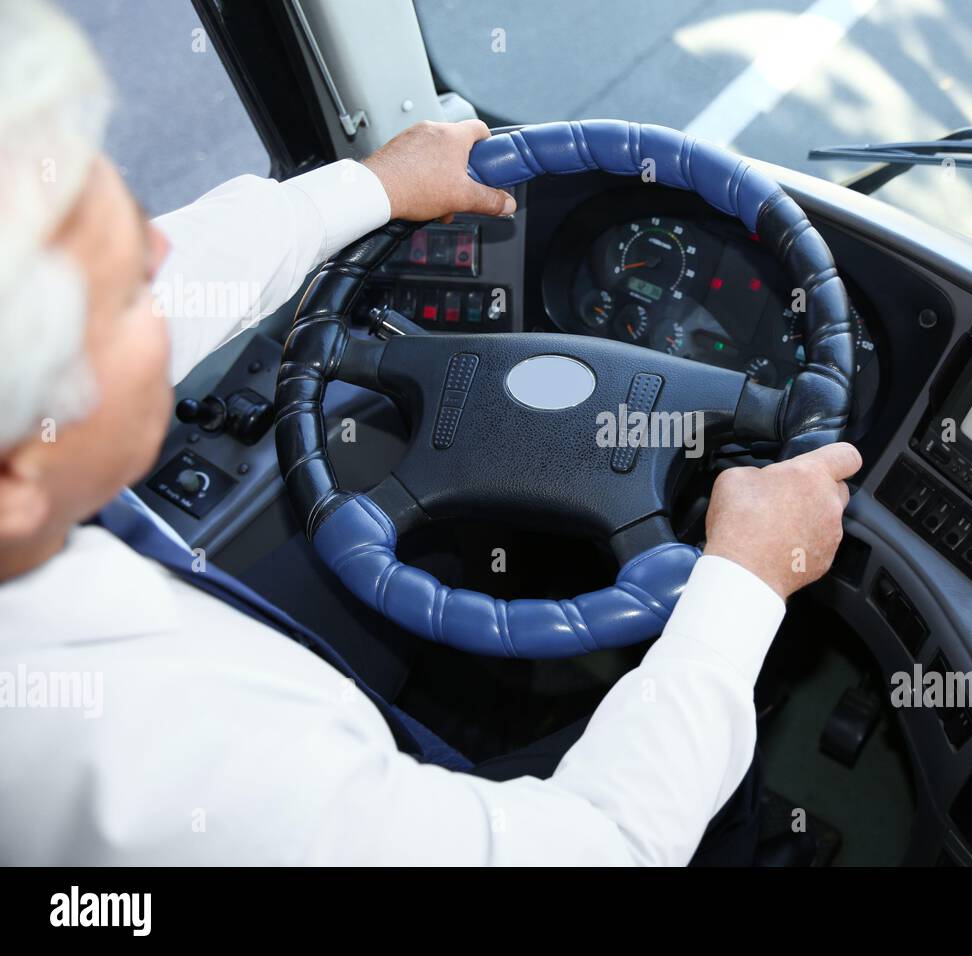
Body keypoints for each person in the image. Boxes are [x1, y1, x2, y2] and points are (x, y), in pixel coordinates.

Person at [0, 0, 860, 865]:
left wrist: (370, 186)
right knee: (709, 785)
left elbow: (158, 281)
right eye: (118, 293)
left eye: (117, 215)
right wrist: (744, 583)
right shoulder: (172, 761)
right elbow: (608, 846)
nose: (157, 267)